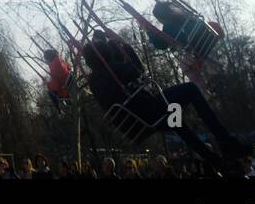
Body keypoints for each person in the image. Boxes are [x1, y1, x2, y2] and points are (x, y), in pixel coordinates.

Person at [79, 29, 244, 165]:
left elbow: (116, 70)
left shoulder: (93, 81)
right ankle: (225, 141)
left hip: (134, 125)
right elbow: (138, 69)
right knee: (192, 89)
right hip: (150, 111)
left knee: (176, 121)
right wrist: (124, 45)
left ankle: (212, 159)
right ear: (107, 54)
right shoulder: (114, 69)